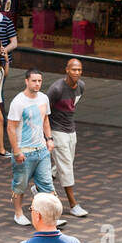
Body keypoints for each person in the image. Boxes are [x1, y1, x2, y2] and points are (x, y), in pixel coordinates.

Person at [7, 69, 56, 225]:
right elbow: (11, 128)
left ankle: (50, 216)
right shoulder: (18, 102)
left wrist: (49, 139)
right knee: (19, 184)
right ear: (26, 81)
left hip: (41, 150)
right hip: (24, 152)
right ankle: (18, 213)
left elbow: (46, 120)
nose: (37, 84)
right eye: (34, 81)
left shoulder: (43, 98)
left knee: (47, 183)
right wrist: (16, 151)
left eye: (39, 81)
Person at [47, 59, 89, 218]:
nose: (76, 73)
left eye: (79, 70)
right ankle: (73, 204)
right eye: (73, 70)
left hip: (71, 130)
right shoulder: (56, 89)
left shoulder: (81, 86)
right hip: (57, 131)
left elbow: (72, 106)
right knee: (66, 167)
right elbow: (44, 109)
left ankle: (42, 185)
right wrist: (47, 135)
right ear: (66, 70)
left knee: (66, 162)